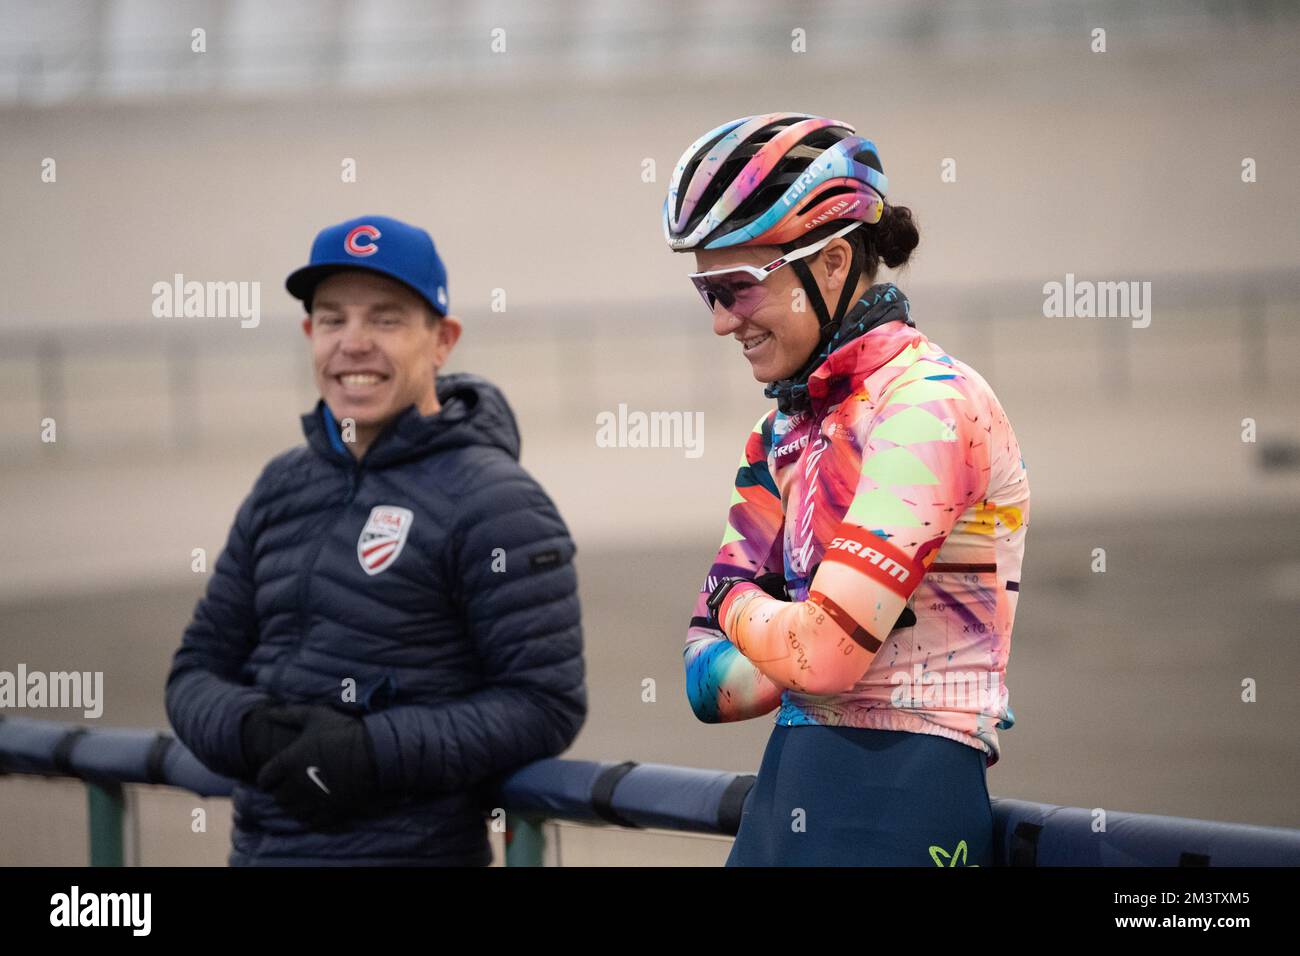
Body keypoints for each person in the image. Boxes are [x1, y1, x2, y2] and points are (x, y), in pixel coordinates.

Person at [164, 214, 586, 865]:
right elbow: (193, 673)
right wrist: (253, 731)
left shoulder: (497, 501)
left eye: (386, 319)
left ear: (442, 340)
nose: (353, 344)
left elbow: (544, 705)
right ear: (309, 335)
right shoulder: (281, 486)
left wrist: (370, 753)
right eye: (333, 320)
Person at [665, 114, 1030, 866]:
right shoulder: (785, 431)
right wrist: (793, 637)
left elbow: (823, 659)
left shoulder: (929, 406)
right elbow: (705, 684)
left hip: (900, 794)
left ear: (831, 264)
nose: (722, 323)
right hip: (787, 790)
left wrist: (737, 605)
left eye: (737, 287)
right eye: (709, 292)